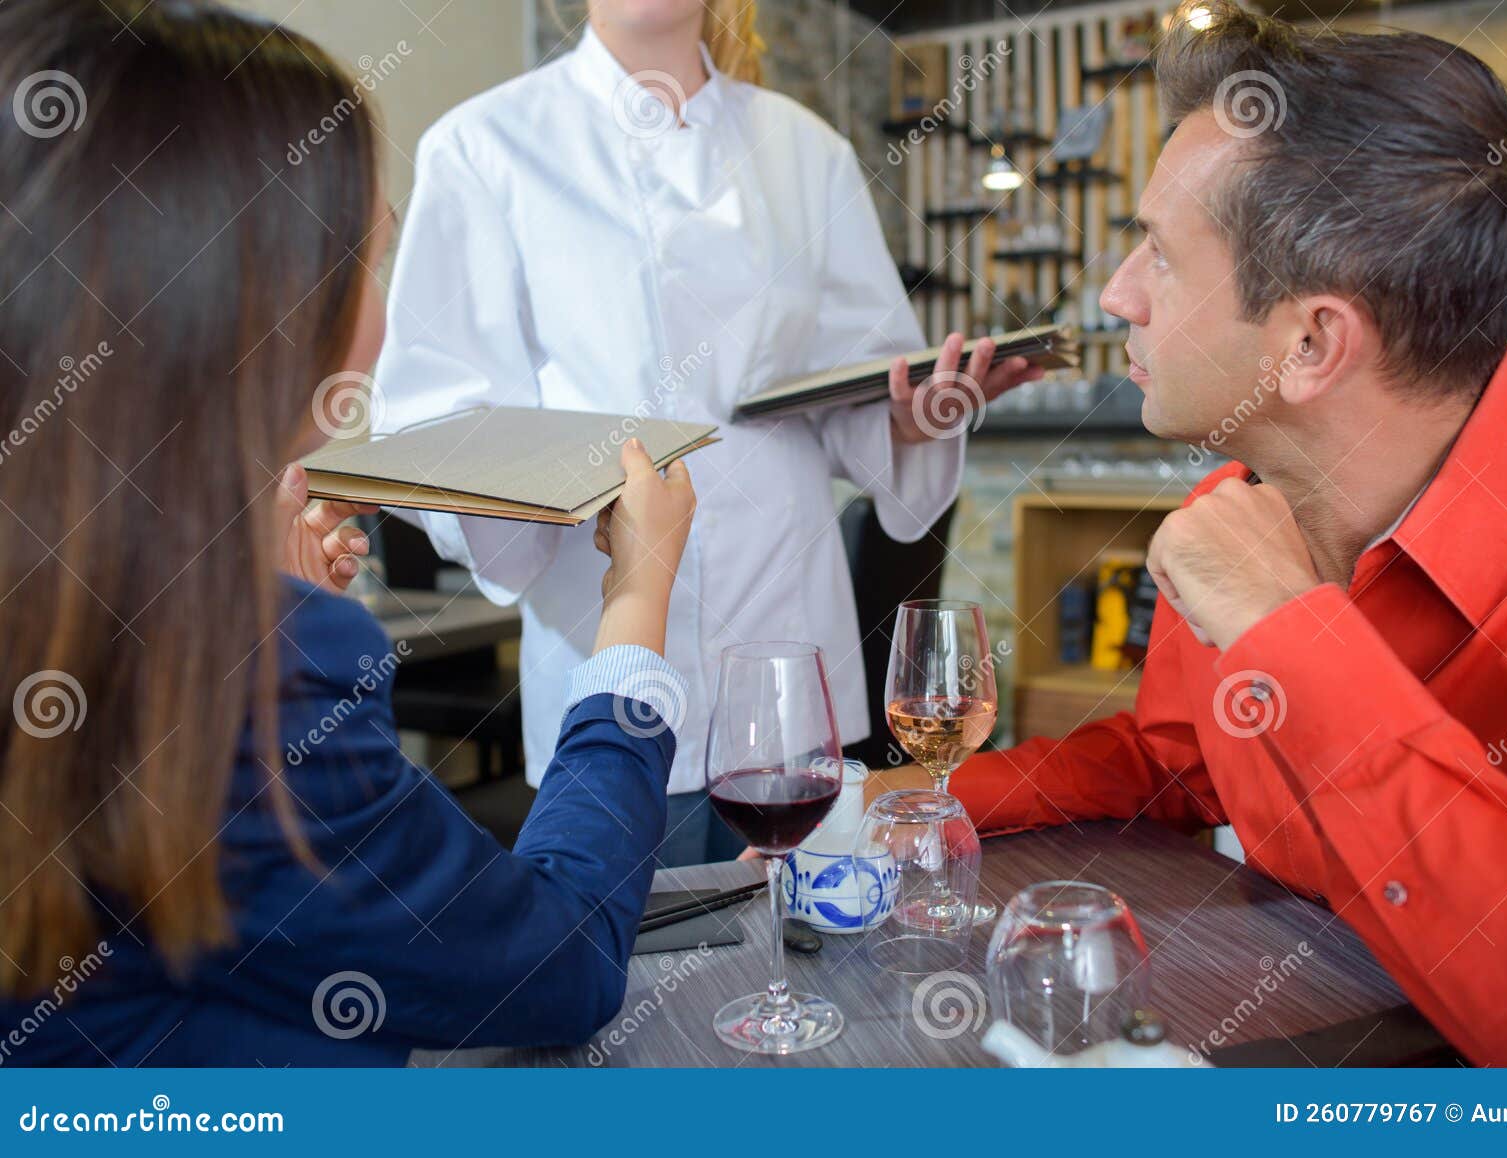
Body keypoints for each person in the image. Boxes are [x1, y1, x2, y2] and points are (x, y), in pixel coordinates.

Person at [0, 0, 694, 1066]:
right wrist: (637, 601)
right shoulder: (247, 687)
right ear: (263, 304)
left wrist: (269, 613)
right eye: (373, 259)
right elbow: (562, 965)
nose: (384, 319)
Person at [953, 3, 1507, 1066]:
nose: (1117, 295)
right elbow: (1179, 766)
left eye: (1160, 254)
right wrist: (914, 803)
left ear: (1308, 344)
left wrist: (1287, 628)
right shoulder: (1239, 511)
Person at [372, 0, 1045, 866]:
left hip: (788, 638)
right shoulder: (485, 147)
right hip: (603, 644)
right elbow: (432, 419)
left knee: (798, 937)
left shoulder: (806, 152)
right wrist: (545, 492)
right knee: (632, 942)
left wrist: (910, 418)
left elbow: (858, 390)